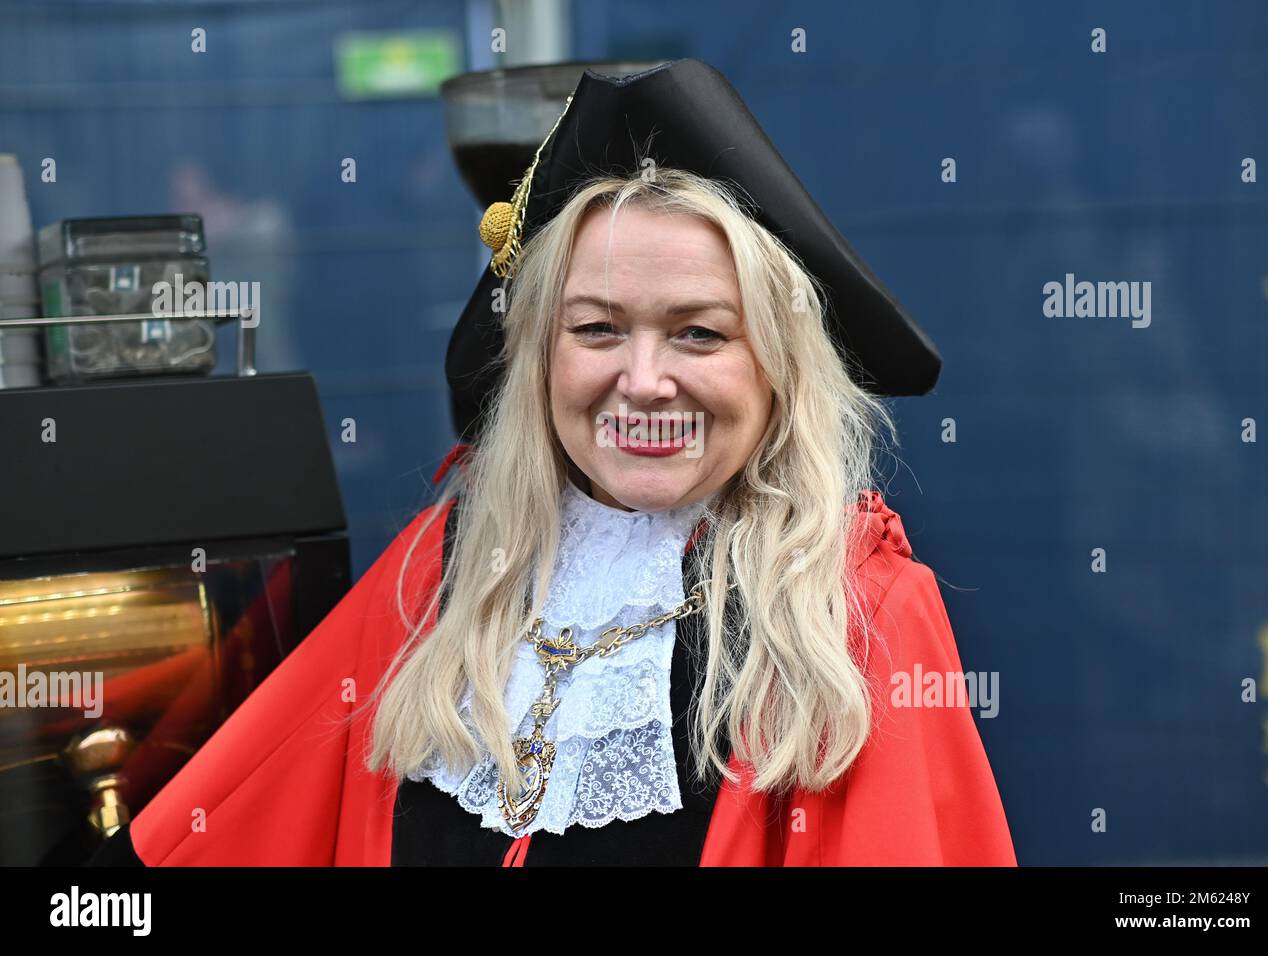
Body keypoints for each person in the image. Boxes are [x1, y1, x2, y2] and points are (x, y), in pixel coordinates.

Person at [90, 58, 1016, 866]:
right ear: (539, 357)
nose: (643, 381)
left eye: (699, 333)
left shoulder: (860, 611)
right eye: (597, 329)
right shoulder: (437, 568)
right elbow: (225, 821)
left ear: (777, 366)